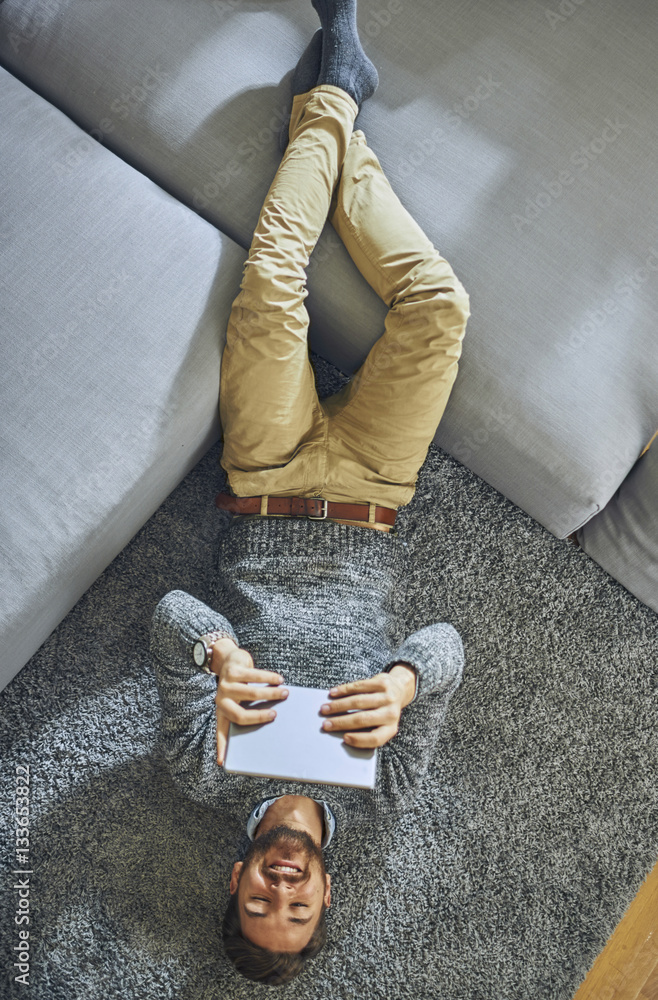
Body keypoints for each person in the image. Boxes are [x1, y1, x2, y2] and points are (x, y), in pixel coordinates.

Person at [150, 0, 470, 986]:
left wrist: (220, 651)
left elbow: (167, 613)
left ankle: (330, 101)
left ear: (234, 876)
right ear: (327, 897)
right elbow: (451, 647)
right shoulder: (381, 794)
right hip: (376, 489)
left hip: (266, 475)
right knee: (438, 309)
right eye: (296, 905)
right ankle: (338, 114)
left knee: (270, 283)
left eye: (259, 899)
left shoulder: (202, 770)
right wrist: (407, 682)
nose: (282, 884)